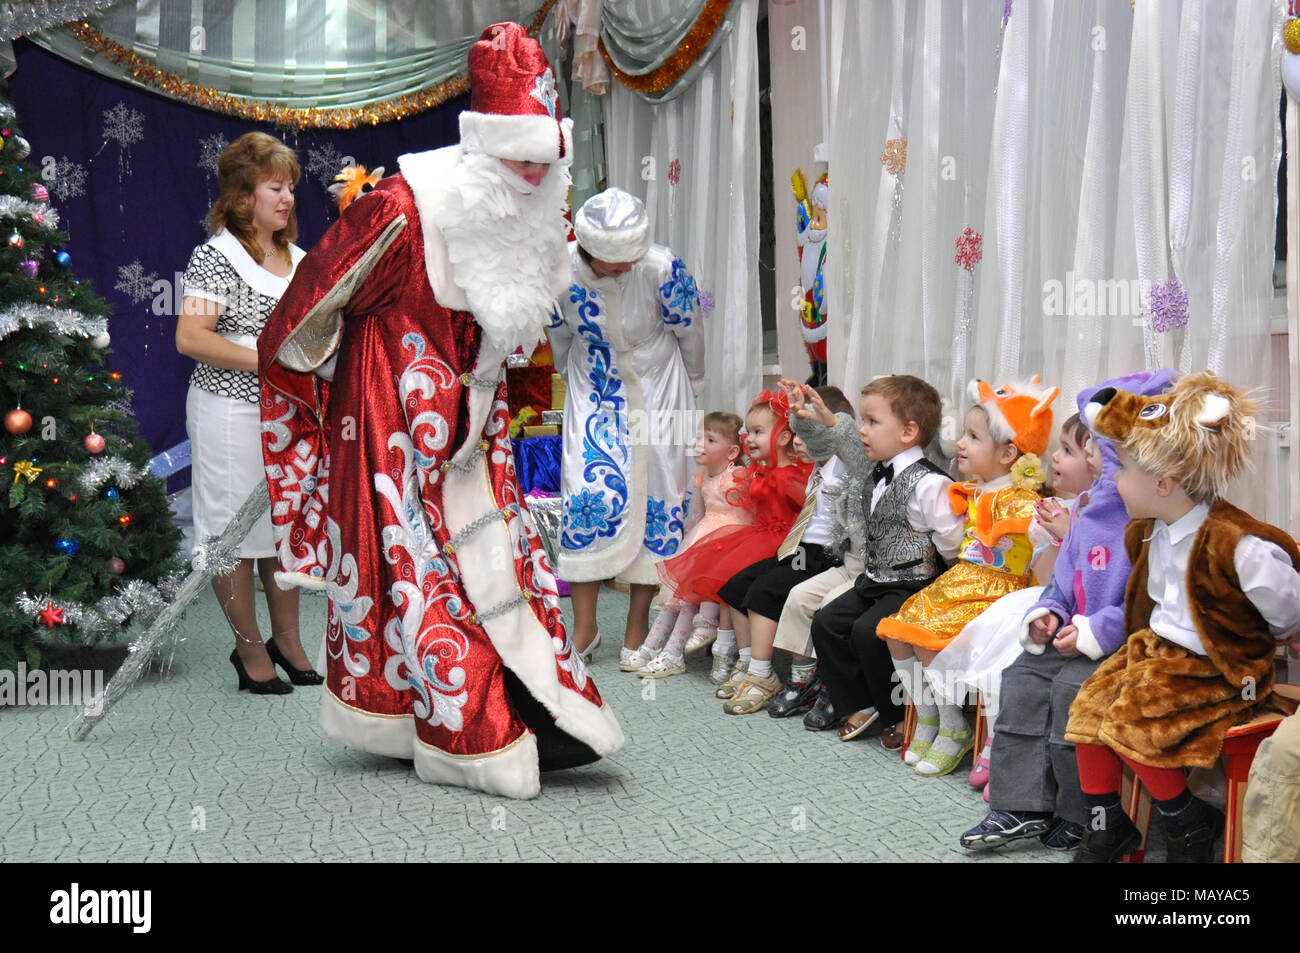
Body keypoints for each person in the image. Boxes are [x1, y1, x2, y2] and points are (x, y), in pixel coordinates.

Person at [257, 22, 623, 799]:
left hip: (480, 439)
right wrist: (340, 387)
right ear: (486, 144)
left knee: (509, 570)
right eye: (521, 156)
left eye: (547, 159)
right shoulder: (405, 205)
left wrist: (530, 453)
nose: (535, 173)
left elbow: (524, 350)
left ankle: (538, 704)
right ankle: (464, 734)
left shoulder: (535, 215)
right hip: (393, 433)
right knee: (423, 581)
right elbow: (297, 318)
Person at [1065, 371, 1300, 862]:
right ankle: (1108, 825)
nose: (1114, 480)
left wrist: (1281, 635)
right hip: (1161, 653)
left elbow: (1287, 607)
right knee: (1087, 705)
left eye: (1122, 469)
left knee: (1132, 718)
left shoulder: (1238, 544)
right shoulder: (1146, 531)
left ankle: (1186, 822)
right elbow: (1155, 603)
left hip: (1221, 668)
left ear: (1164, 484)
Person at [958, 370, 1175, 852]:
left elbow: (1148, 605)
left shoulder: (1148, 518)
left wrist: (1094, 630)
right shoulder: (1088, 508)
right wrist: (1049, 613)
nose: (1091, 455)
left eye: (1096, 446)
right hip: (1074, 636)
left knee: (1071, 691)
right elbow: (1063, 580)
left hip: (1125, 646)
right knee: (1023, 674)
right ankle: (1021, 806)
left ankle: (1083, 815)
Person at [175, 131, 313, 696]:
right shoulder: (214, 257)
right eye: (275, 187)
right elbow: (191, 338)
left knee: (283, 532)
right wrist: (269, 360)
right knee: (233, 535)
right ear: (242, 196)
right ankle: (248, 648)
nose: (287, 198)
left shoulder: (301, 261)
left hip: (286, 417)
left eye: (290, 189)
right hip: (227, 414)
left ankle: (288, 638)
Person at [547, 187, 706, 669]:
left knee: (659, 493)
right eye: (615, 262)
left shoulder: (661, 266)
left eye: (630, 259)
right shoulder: (558, 270)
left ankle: (638, 624)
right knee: (587, 494)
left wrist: (694, 385)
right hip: (592, 385)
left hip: (659, 383)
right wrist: (572, 385)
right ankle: (586, 626)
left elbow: (690, 327)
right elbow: (558, 334)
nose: (625, 268)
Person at [877, 376, 1058, 777]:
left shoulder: (1023, 502)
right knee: (897, 631)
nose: (960, 443)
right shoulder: (974, 491)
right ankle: (928, 717)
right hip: (964, 580)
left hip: (998, 591)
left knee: (928, 639)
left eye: (973, 437)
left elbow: (1037, 561)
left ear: (1009, 453)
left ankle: (955, 726)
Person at [929, 410, 1099, 798]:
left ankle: (1019, 761)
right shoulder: (1057, 509)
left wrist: (1070, 535)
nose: (1054, 457)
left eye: (1068, 451)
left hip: (1085, 613)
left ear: (1097, 464)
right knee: (999, 641)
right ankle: (996, 739)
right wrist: (1051, 536)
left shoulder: (1108, 519)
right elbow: (1047, 579)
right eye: (1058, 448)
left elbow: (1091, 582)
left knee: (1017, 653)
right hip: (1050, 598)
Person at [806, 375, 963, 740]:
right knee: (826, 622)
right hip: (876, 579)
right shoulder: (878, 471)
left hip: (914, 583)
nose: (863, 430)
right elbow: (841, 442)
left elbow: (953, 544)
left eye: (872, 422)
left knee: (867, 631)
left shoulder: (929, 483)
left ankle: (898, 713)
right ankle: (863, 701)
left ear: (909, 431)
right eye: (863, 421)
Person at [716, 384, 856, 714]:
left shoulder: (844, 465)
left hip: (826, 555)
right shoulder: (818, 470)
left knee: (766, 591)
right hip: (801, 549)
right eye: (796, 433)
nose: (798, 442)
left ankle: (765, 675)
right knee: (738, 585)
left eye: (807, 434)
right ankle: (749, 662)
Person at [659, 390, 813, 688]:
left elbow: (809, 511)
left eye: (758, 432)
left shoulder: (788, 477)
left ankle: (744, 655)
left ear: (783, 438)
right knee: (730, 585)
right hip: (759, 534)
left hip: (782, 542)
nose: (749, 439)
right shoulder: (759, 471)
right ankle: (742, 656)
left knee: (741, 583)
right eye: (748, 433)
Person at [624, 412, 752, 677]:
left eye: (710, 439)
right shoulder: (703, 477)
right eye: (697, 438)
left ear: (732, 452)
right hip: (705, 542)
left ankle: (674, 652)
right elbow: (697, 516)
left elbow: (749, 515)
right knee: (677, 597)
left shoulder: (738, 474)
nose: (699, 445)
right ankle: (653, 646)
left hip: (730, 548)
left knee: (689, 594)